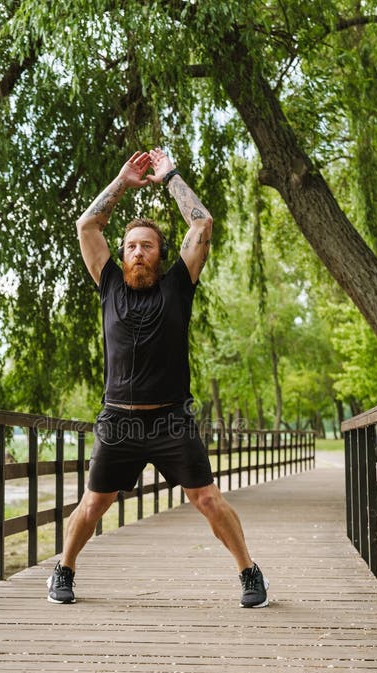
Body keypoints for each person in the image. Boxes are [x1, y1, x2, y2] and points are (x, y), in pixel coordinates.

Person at [47, 148, 268, 608]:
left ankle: (249, 572)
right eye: (131, 246)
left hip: (171, 419)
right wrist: (123, 181)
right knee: (93, 504)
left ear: (161, 254)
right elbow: (87, 226)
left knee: (206, 498)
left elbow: (202, 223)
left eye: (147, 245)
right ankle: (63, 570)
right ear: (122, 254)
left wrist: (170, 177)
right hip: (119, 422)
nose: (138, 252)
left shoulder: (177, 286)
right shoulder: (108, 284)